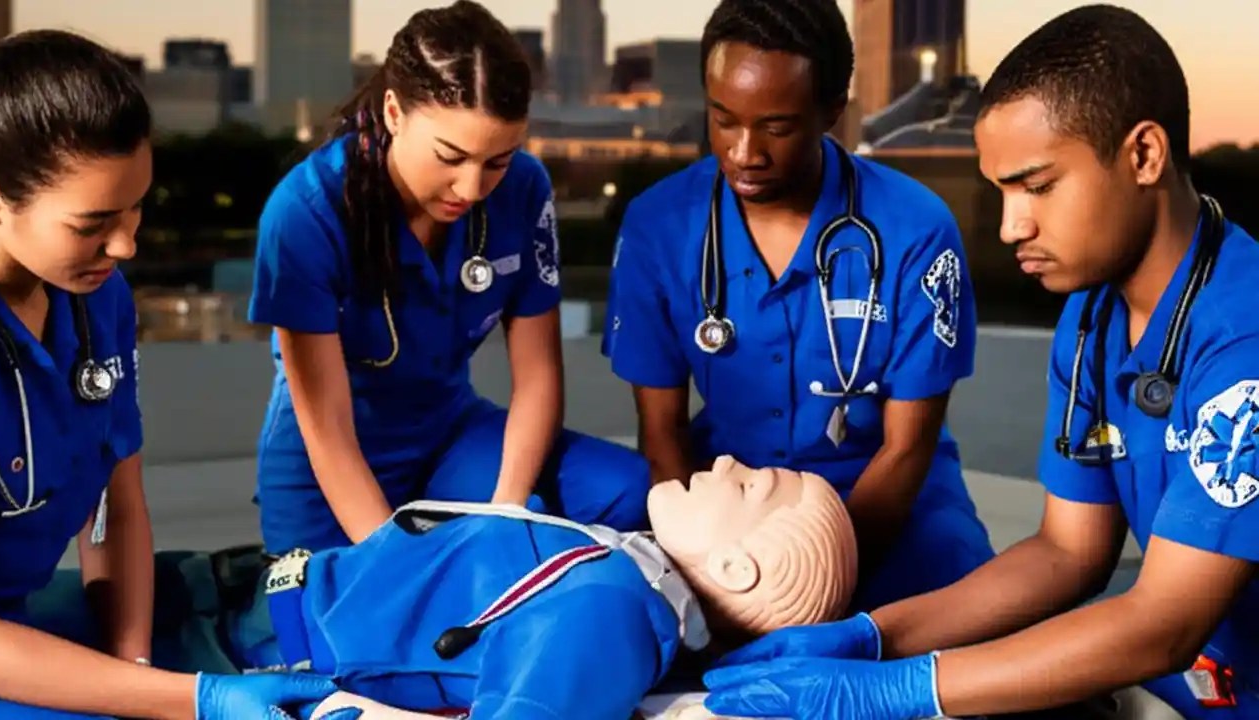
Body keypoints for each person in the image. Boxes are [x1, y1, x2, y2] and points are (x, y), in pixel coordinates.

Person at [701, 6, 1258, 720]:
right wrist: (876, 638)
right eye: (1000, 190)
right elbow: (1067, 553)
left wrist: (900, 690)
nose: (1010, 226)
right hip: (1199, 686)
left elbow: (1163, 626)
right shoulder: (1091, 322)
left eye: (1038, 185)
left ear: (1144, 155)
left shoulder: (1243, 339)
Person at [0, 29, 340, 719]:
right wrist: (189, 700)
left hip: (18, 616)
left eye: (136, 206)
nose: (126, 244)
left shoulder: (96, 296)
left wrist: (135, 668)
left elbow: (116, 507)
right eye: (93, 223)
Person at [601, 0, 993, 612]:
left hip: (881, 493)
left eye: (776, 127)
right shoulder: (659, 226)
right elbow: (662, 434)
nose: (743, 152)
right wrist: (704, 561)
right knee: (630, 604)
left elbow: (907, 448)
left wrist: (814, 583)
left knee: (956, 594)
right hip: (732, 497)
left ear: (832, 112)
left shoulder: (916, 231)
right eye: (723, 119)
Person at [247, 0, 650, 557]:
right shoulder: (305, 211)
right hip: (330, 465)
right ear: (394, 112)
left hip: (449, 434)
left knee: (623, 491)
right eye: (449, 156)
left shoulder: (525, 189)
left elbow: (536, 377)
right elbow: (328, 429)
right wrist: (393, 563)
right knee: (370, 616)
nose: (471, 187)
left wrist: (507, 508)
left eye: (498, 160)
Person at [221, 455, 858, 720]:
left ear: (733, 569)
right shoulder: (625, 573)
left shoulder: (610, 615)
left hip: (255, 638)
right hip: (269, 592)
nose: (725, 462)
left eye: (748, 486)